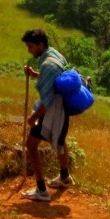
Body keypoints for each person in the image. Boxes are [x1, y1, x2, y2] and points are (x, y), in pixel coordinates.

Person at [20, 28, 72, 202]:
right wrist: (35, 75)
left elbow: (47, 102)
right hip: (63, 109)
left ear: (40, 45)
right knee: (59, 139)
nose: (29, 50)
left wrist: (33, 118)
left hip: (53, 111)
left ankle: (41, 190)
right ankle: (64, 177)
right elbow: (53, 79)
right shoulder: (54, 54)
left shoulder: (47, 64)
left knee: (31, 145)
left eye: (31, 46)